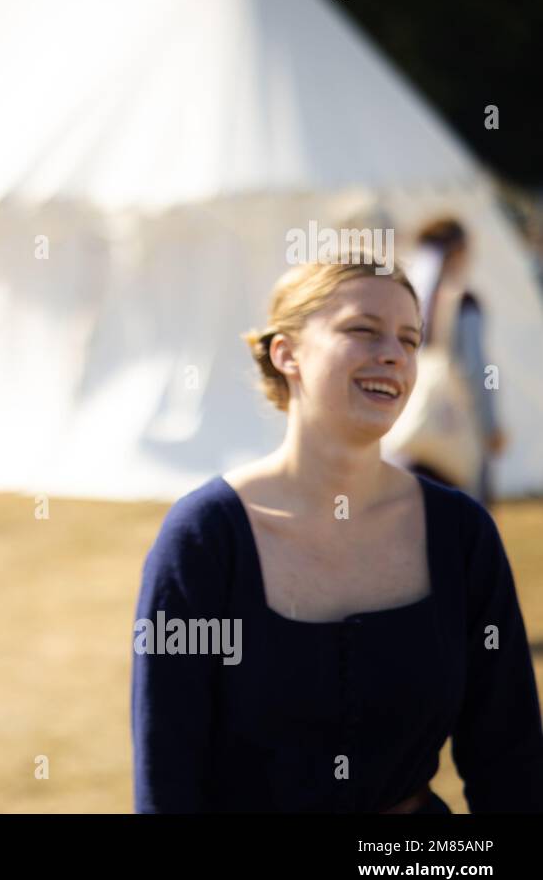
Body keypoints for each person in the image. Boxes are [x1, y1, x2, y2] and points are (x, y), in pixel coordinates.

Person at [131, 256, 543, 813]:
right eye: (362, 330)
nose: (393, 354)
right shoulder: (205, 540)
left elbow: (510, 759)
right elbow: (168, 774)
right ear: (287, 354)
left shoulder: (460, 533)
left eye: (409, 339)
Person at [402, 218, 504, 504]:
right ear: (458, 251)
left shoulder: (407, 299)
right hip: (457, 428)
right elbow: (476, 369)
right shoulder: (463, 301)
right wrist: (490, 424)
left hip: (414, 432)